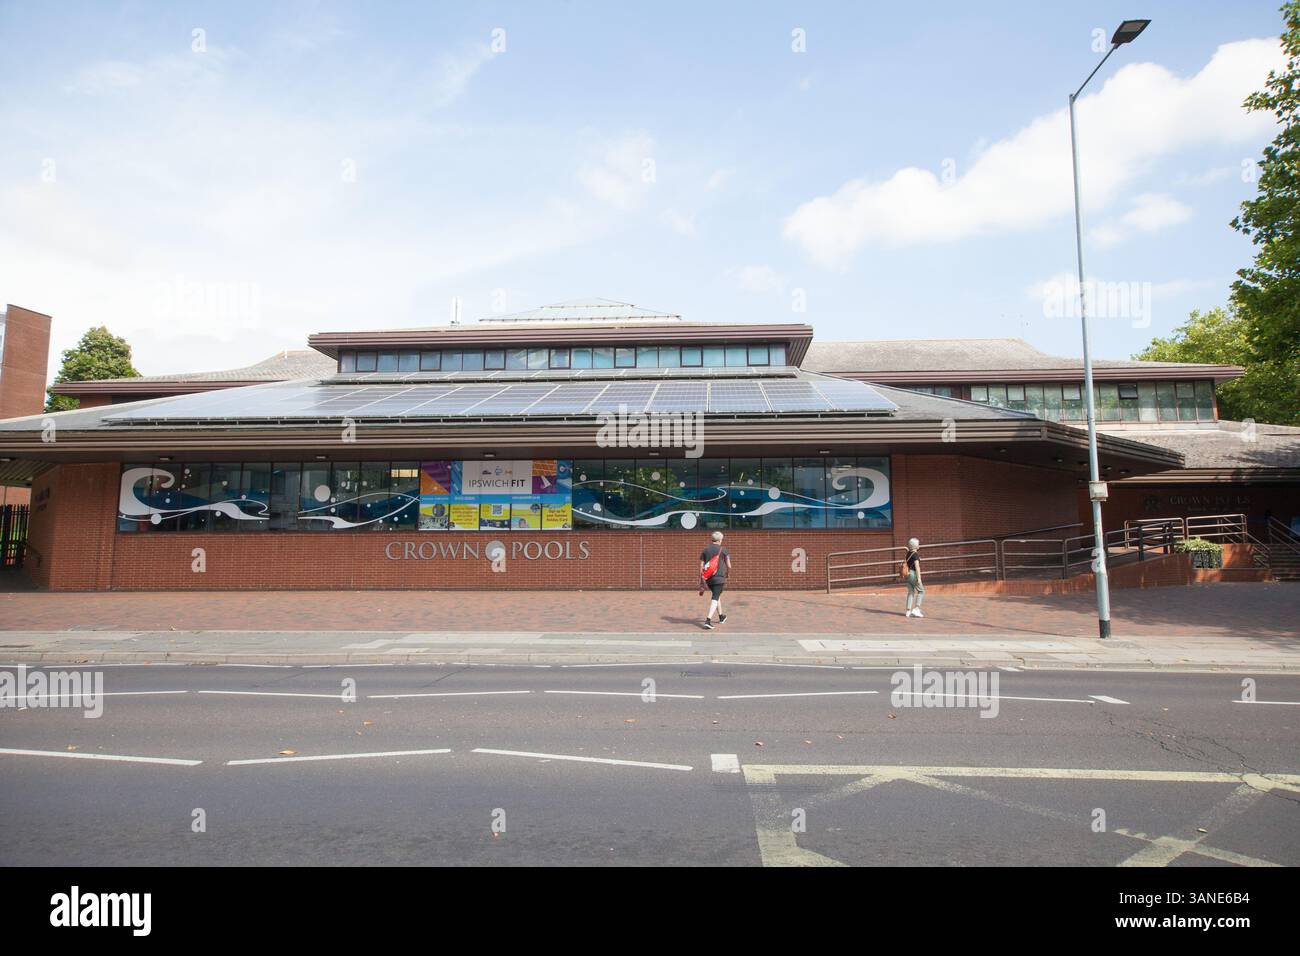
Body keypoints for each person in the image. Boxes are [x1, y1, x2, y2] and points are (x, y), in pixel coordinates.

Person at [699, 530, 732, 630]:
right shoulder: (724, 550)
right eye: (722, 539)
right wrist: (728, 573)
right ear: (719, 540)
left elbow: (701, 567)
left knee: (716, 596)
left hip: (709, 579)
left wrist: (702, 581)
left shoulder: (705, 550)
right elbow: (729, 566)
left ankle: (721, 616)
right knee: (715, 598)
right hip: (719, 578)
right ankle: (708, 620)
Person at [901, 537, 924, 618]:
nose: (919, 545)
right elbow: (917, 567)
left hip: (907, 574)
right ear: (915, 546)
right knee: (921, 591)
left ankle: (908, 611)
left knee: (910, 592)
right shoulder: (915, 555)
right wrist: (919, 578)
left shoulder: (908, 554)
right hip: (913, 574)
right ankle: (916, 609)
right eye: (918, 544)